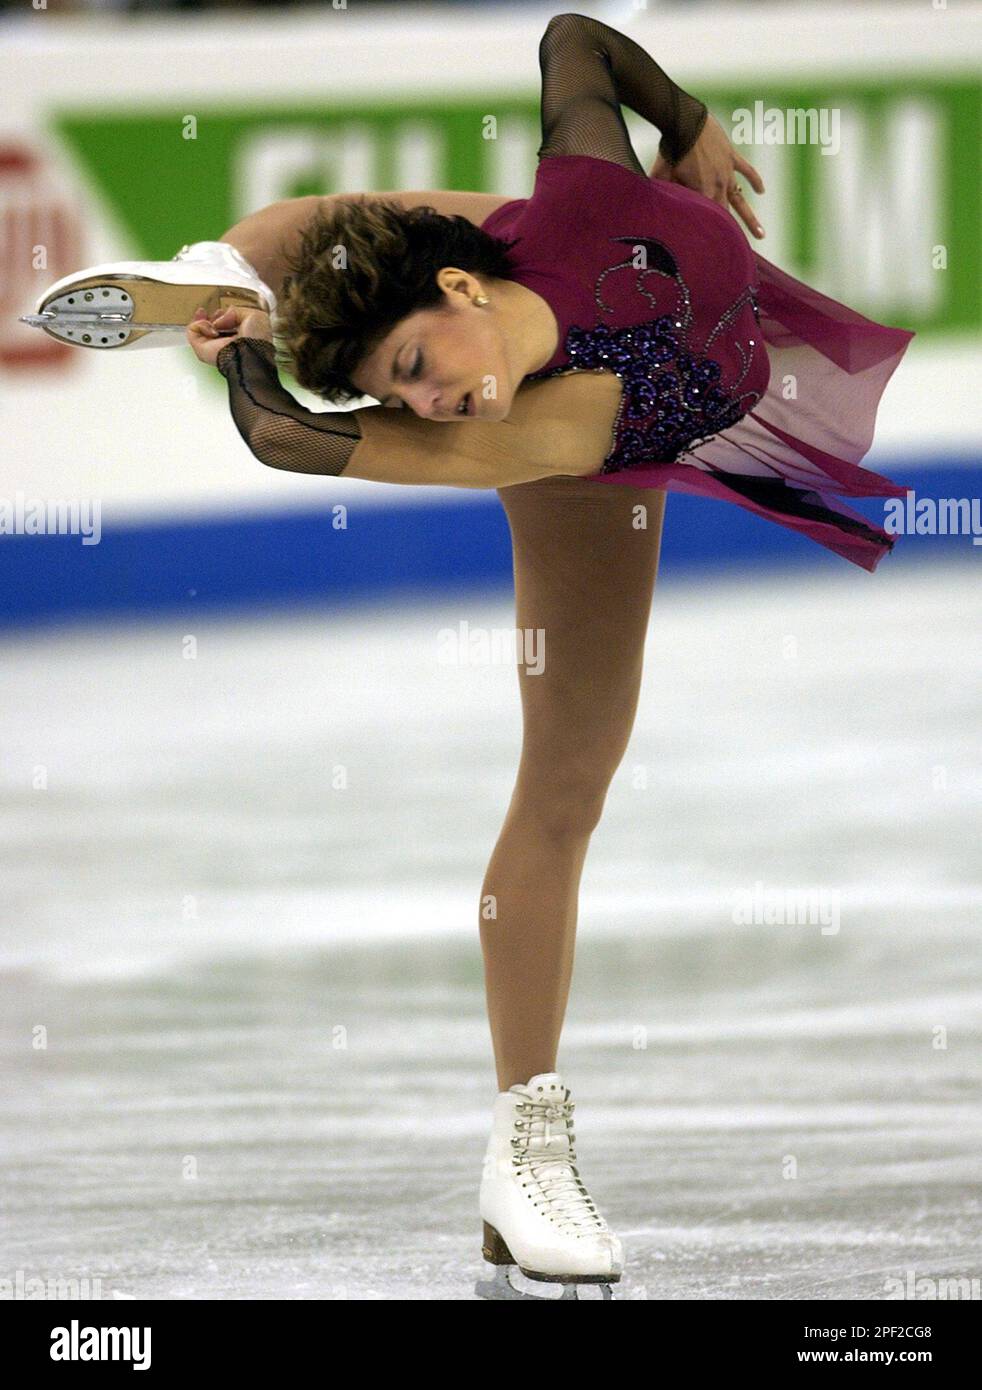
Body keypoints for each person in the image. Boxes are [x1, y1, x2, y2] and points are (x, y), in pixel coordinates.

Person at [23, 12, 914, 1299]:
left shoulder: (581, 196)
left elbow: (574, 39)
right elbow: (285, 439)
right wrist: (252, 360)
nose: (424, 403)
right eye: (399, 399)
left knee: (364, 224)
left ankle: (234, 269)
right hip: (606, 448)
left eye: (412, 371)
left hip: (563, 272)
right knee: (561, 791)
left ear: (456, 300)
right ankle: (528, 1140)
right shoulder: (525, 430)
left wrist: (689, 120)